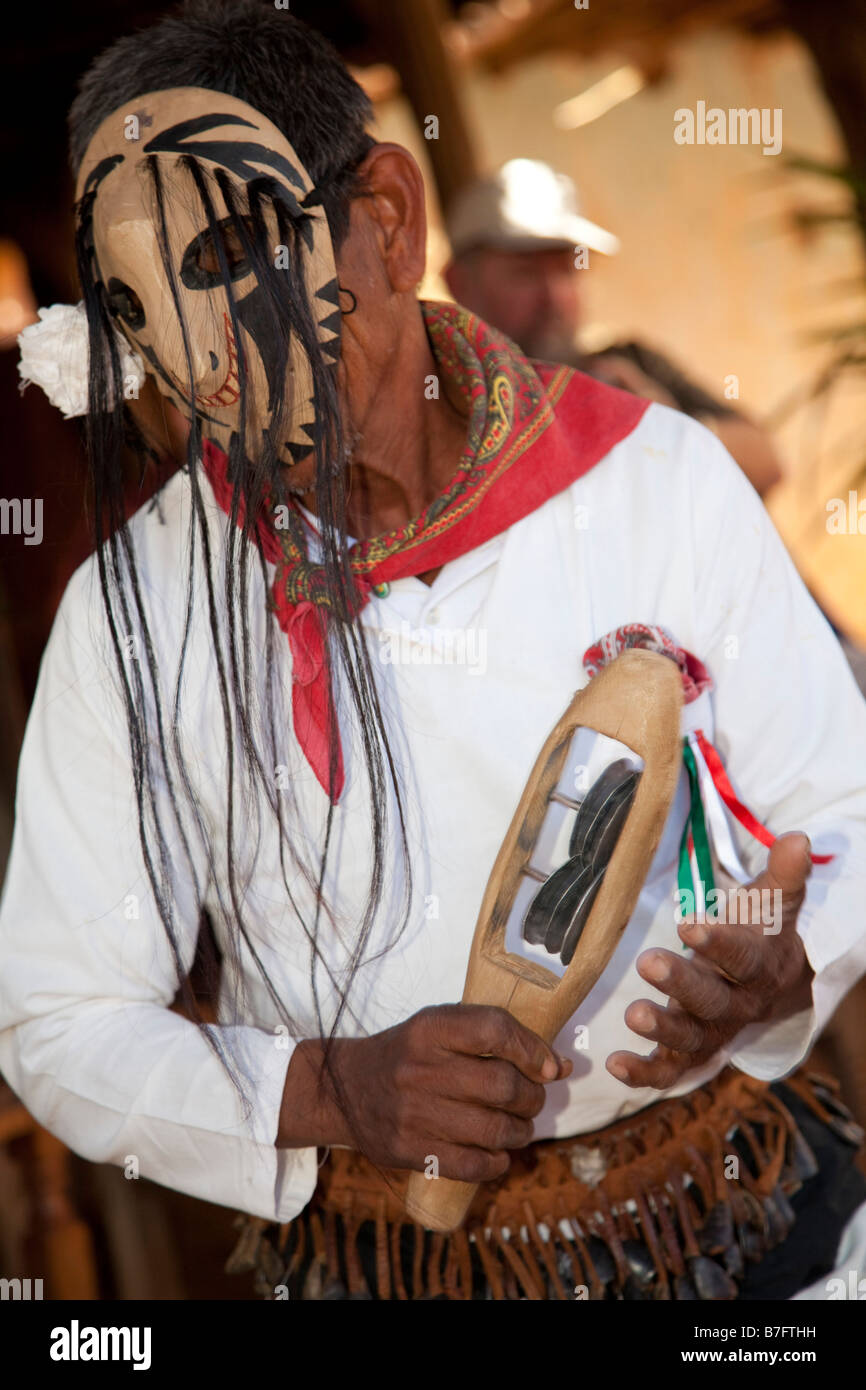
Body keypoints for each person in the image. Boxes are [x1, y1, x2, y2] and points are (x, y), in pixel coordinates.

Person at [2, 1, 866, 1302]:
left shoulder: (657, 481)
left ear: (388, 221)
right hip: (375, 1265)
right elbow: (58, 1020)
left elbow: (839, 810)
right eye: (136, 300)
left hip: (739, 1235)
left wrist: (779, 959)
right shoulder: (137, 609)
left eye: (230, 256)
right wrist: (326, 1085)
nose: (196, 363)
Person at [444, 159, 785, 498]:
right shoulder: (448, 407)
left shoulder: (629, 365)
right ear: (458, 283)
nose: (555, 297)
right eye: (525, 274)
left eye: (566, 271)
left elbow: (766, 463)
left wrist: (670, 425)